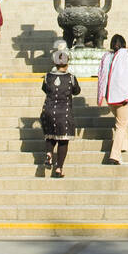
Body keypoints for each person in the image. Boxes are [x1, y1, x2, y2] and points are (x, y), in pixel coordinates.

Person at [41, 48, 80, 177]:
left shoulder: (47, 76)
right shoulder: (71, 78)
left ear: (55, 63)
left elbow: (45, 89)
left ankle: (48, 153)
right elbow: (76, 91)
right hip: (64, 111)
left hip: (49, 110)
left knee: (50, 135)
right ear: (67, 63)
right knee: (63, 140)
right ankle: (59, 168)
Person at [97, 34, 128, 164]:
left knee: (120, 122)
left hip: (109, 97)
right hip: (122, 97)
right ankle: (115, 155)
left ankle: (123, 145)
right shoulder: (127, 55)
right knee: (121, 126)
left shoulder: (107, 57)